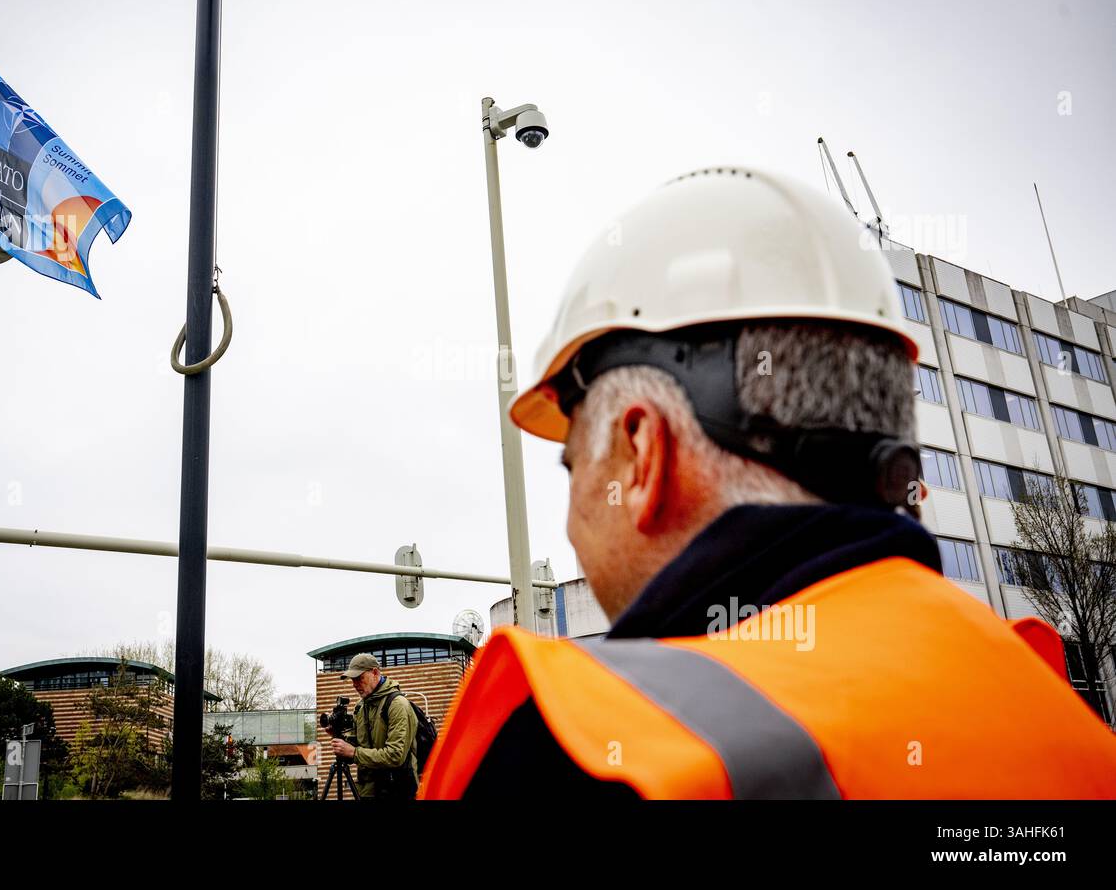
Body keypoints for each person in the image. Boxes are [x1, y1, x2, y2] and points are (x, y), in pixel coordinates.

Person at [419, 166, 1116, 799]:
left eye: (574, 466)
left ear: (641, 451)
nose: (572, 523)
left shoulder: (598, 753)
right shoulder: (1062, 723)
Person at [327, 653, 418, 800]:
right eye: (352, 680)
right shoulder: (361, 706)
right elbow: (357, 747)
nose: (355, 684)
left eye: (359, 678)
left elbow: (395, 756)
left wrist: (354, 753)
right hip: (367, 792)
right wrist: (338, 738)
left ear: (375, 673)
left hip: (397, 791)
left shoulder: (397, 704)